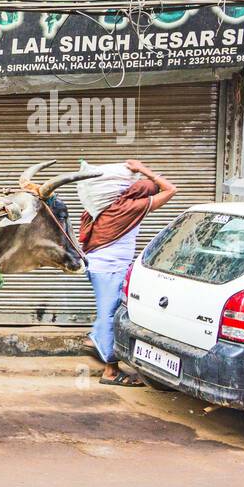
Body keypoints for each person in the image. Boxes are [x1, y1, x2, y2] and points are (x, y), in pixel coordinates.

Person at [80, 159, 177, 387]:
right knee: (110, 315)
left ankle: (96, 340)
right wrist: (144, 169)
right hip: (111, 269)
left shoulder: (101, 206)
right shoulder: (128, 208)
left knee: (108, 311)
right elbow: (171, 189)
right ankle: (109, 370)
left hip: (97, 266)